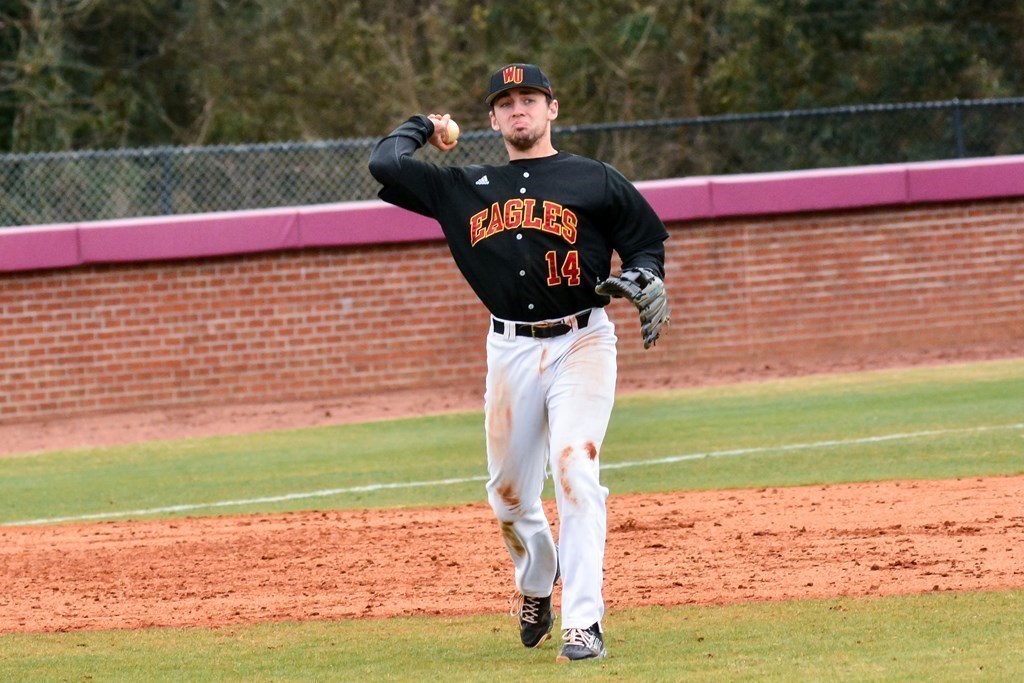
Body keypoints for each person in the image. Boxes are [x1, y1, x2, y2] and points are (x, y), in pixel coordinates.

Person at [368, 63, 669, 662]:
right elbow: (385, 165)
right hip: (509, 348)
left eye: (529, 98)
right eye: (506, 102)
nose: (518, 110)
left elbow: (644, 239)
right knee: (508, 499)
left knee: (576, 470)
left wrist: (644, 274)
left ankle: (585, 624)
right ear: (493, 118)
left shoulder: (593, 178)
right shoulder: (465, 187)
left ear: (552, 109)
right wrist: (426, 126)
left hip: (582, 340)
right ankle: (537, 584)